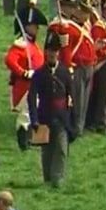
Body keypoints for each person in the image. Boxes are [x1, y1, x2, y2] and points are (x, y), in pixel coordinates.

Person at [28, 35, 74, 187]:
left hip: (61, 116)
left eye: (54, 52)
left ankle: (57, 178)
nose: (52, 55)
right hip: (45, 115)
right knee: (47, 150)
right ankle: (47, 178)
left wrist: (72, 117)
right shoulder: (39, 74)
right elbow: (32, 97)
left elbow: (71, 95)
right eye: (49, 52)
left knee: (61, 148)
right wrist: (34, 119)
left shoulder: (64, 72)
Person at [6, 4, 48, 151]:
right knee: (26, 115)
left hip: (36, 84)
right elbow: (10, 61)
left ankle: (32, 138)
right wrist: (24, 72)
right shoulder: (21, 45)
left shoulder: (32, 45)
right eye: (34, 25)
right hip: (26, 86)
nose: (37, 29)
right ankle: (23, 141)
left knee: (34, 112)